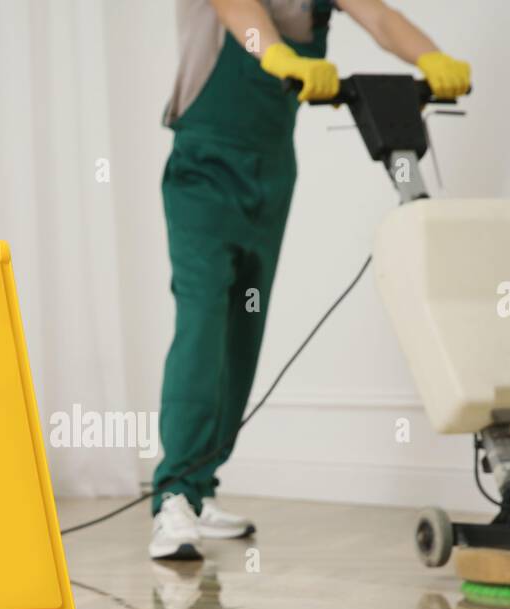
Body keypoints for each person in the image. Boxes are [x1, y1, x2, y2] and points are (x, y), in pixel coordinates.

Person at [149, 0, 470, 560]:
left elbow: (381, 19)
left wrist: (434, 58)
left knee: (243, 334)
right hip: (205, 165)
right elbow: (239, 14)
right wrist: (276, 54)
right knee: (202, 323)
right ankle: (174, 495)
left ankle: (202, 489)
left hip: (272, 171)